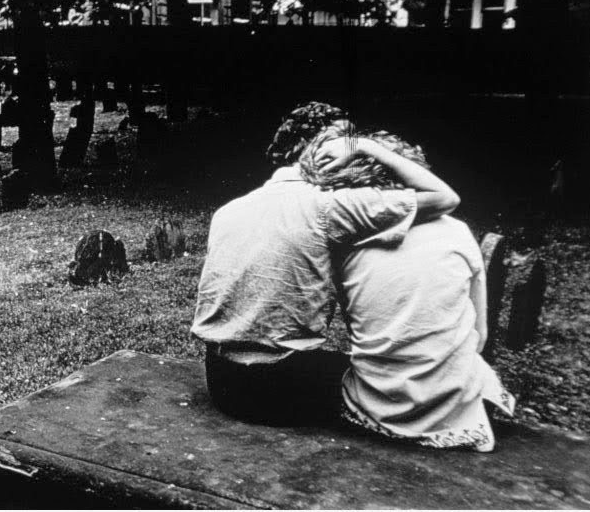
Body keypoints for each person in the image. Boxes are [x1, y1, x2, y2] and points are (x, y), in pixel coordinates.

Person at [191, 107, 460, 425]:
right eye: (345, 142)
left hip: (221, 380)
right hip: (280, 385)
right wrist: (369, 147)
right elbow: (444, 197)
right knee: (403, 387)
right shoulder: (330, 206)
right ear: (317, 150)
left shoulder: (228, 210)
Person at [307, 126, 515, 452]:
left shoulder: (347, 242)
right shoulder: (458, 232)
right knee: (479, 374)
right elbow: (481, 336)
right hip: (452, 407)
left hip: (377, 408)